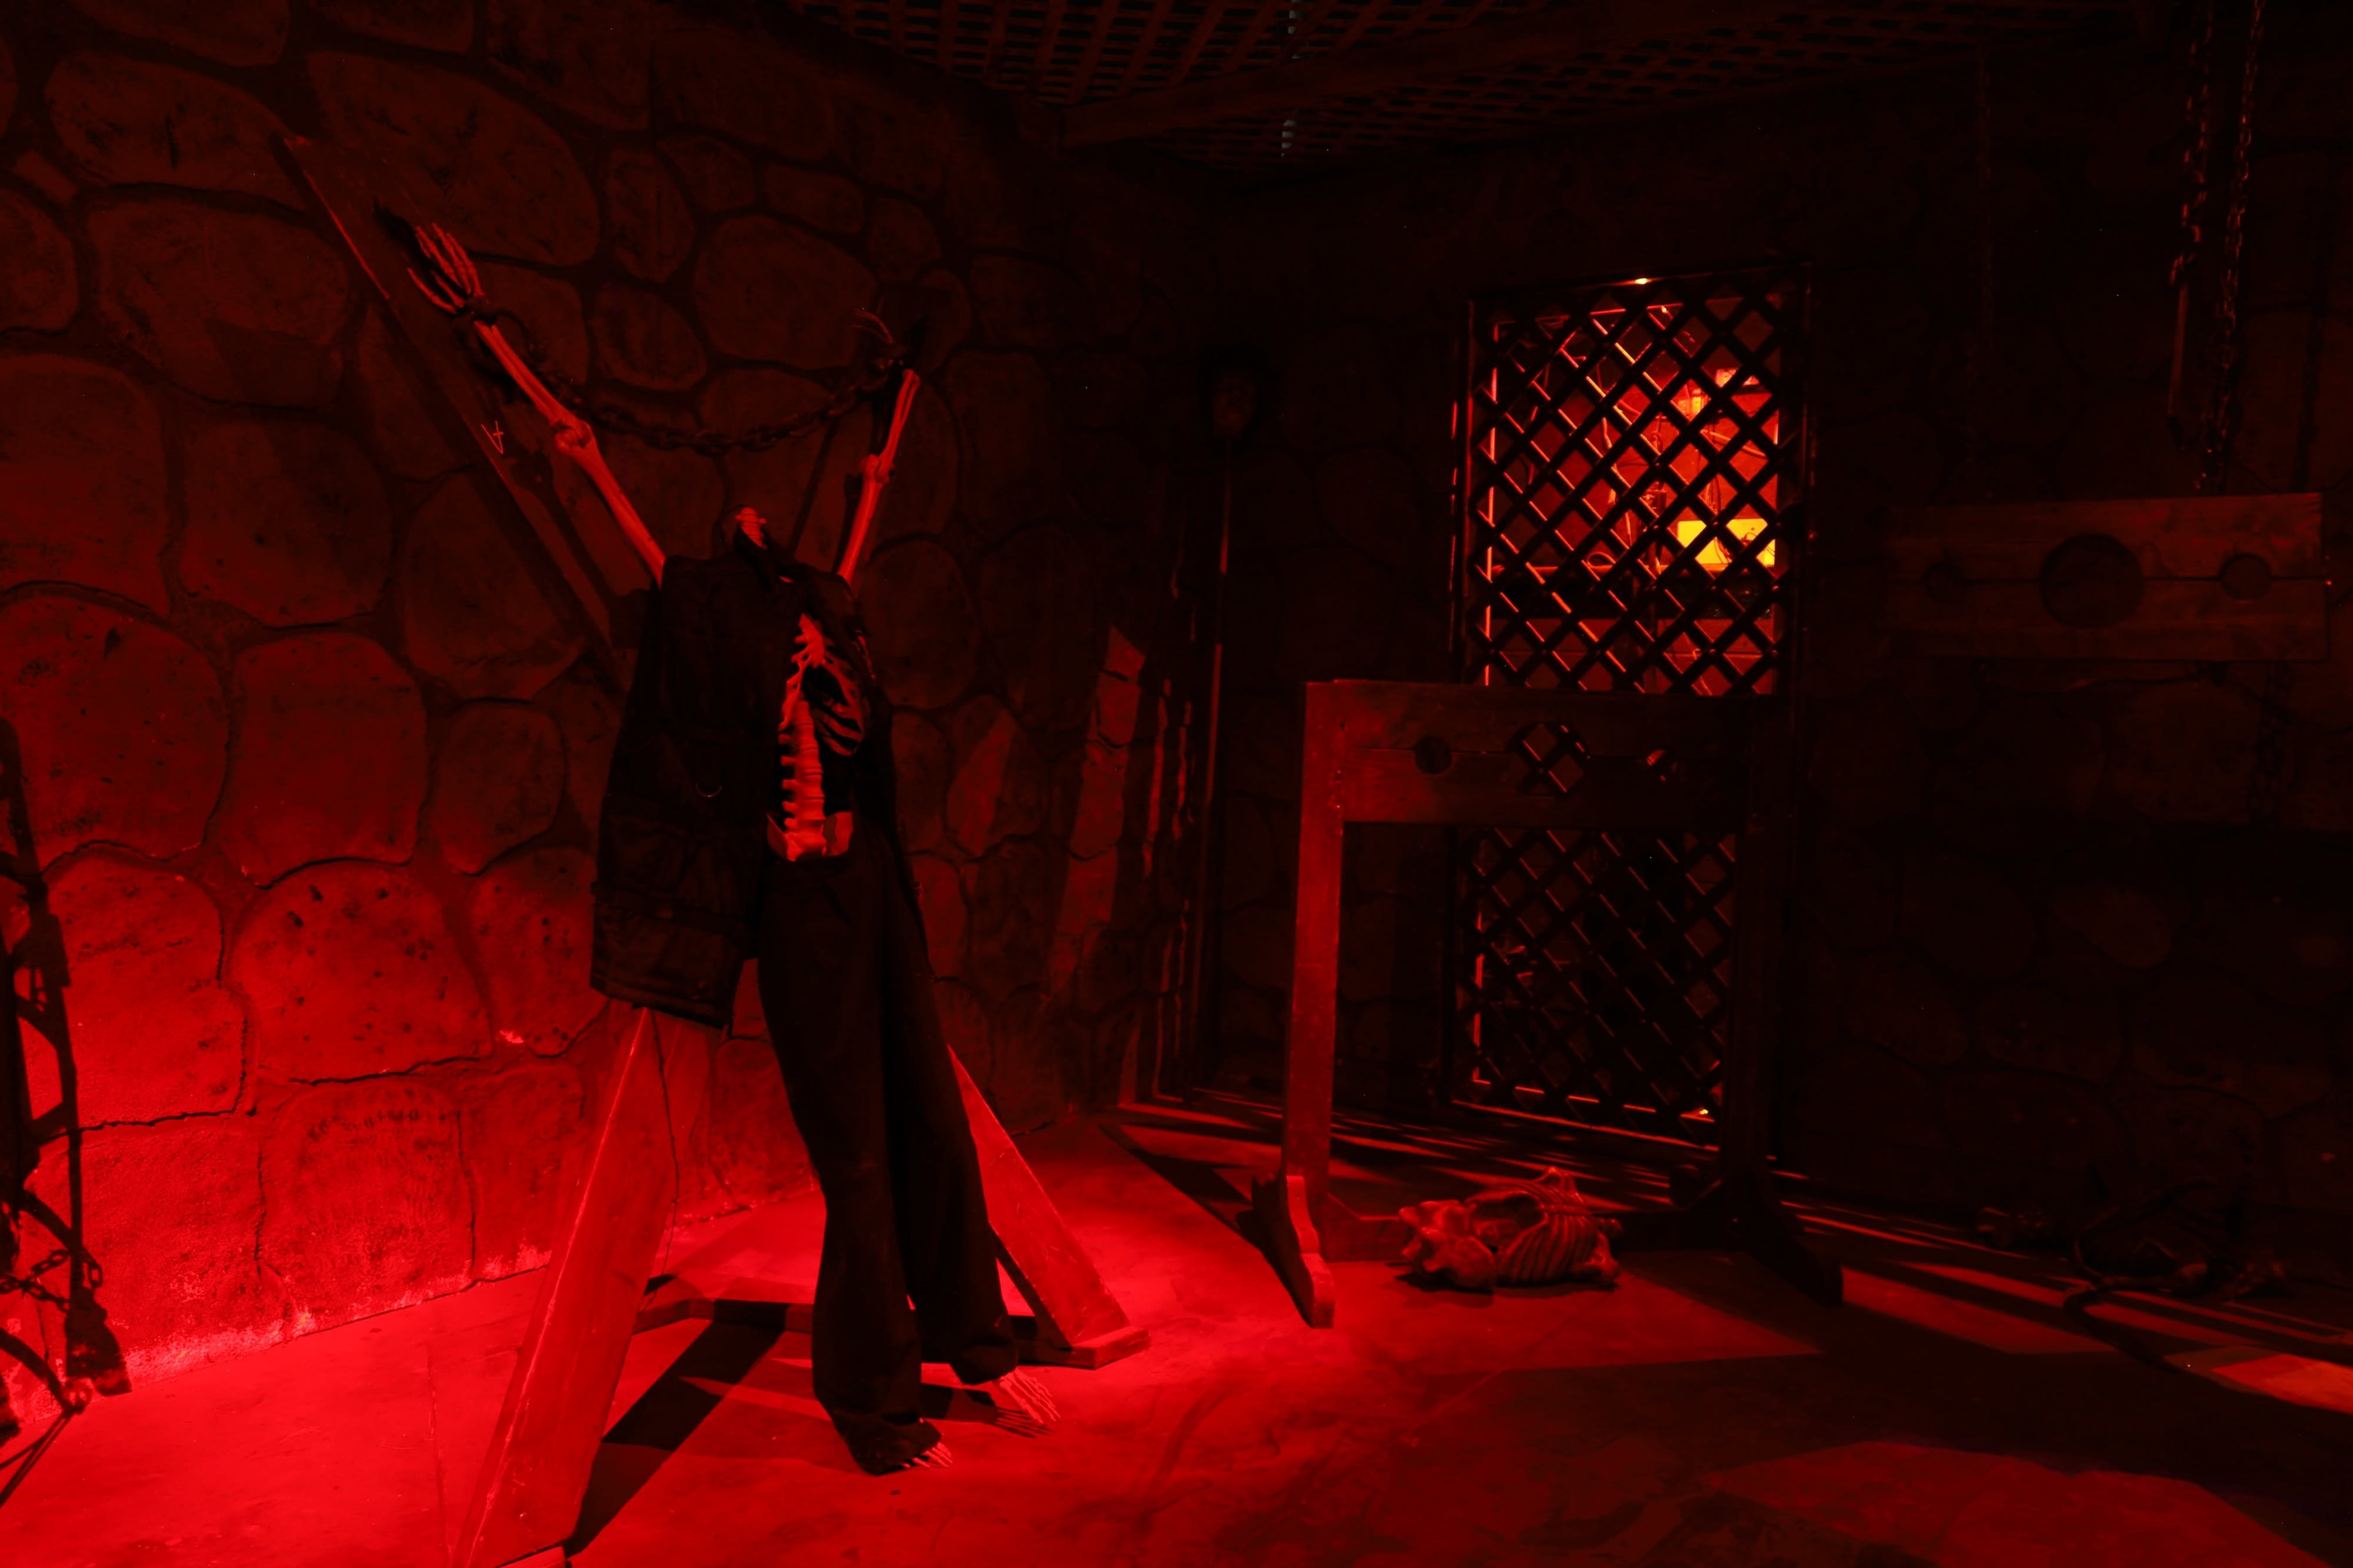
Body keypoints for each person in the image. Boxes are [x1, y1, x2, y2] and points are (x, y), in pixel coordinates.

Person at [408, 223, 1056, 1474]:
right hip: (800, 895)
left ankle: (979, 1348)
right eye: (741, 515)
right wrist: (501, 350)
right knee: (856, 1150)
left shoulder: (828, 602)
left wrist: (899, 399)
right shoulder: (703, 612)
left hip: (876, 881)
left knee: (932, 1117)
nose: (755, 514)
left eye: (766, 515)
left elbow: (871, 497)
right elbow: (601, 485)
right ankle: (876, 1402)